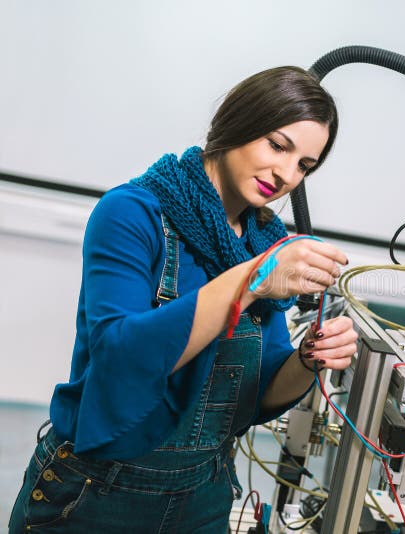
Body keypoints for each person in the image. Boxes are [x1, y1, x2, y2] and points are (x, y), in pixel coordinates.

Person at [9, 66, 358, 533]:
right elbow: (120, 355)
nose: (286, 174)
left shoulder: (262, 243)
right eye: (277, 145)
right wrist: (251, 280)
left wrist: (309, 360)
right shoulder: (133, 213)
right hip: (97, 494)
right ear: (238, 122)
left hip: (203, 498)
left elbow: (258, 396)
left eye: (304, 166)